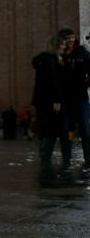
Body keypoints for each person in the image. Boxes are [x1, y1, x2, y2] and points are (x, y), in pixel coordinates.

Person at [33, 32, 69, 173]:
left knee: (45, 130)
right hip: (49, 101)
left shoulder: (42, 60)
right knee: (51, 131)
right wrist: (56, 101)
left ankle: (44, 159)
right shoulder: (51, 60)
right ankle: (45, 161)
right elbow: (52, 82)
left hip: (40, 100)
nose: (64, 48)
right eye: (62, 46)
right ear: (56, 46)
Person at [59, 28, 90, 168]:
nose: (70, 40)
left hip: (81, 98)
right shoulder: (59, 55)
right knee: (68, 130)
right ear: (62, 40)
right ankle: (67, 160)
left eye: (71, 37)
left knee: (85, 128)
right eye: (67, 38)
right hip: (66, 100)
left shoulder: (83, 53)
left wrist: (85, 85)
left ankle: (88, 160)